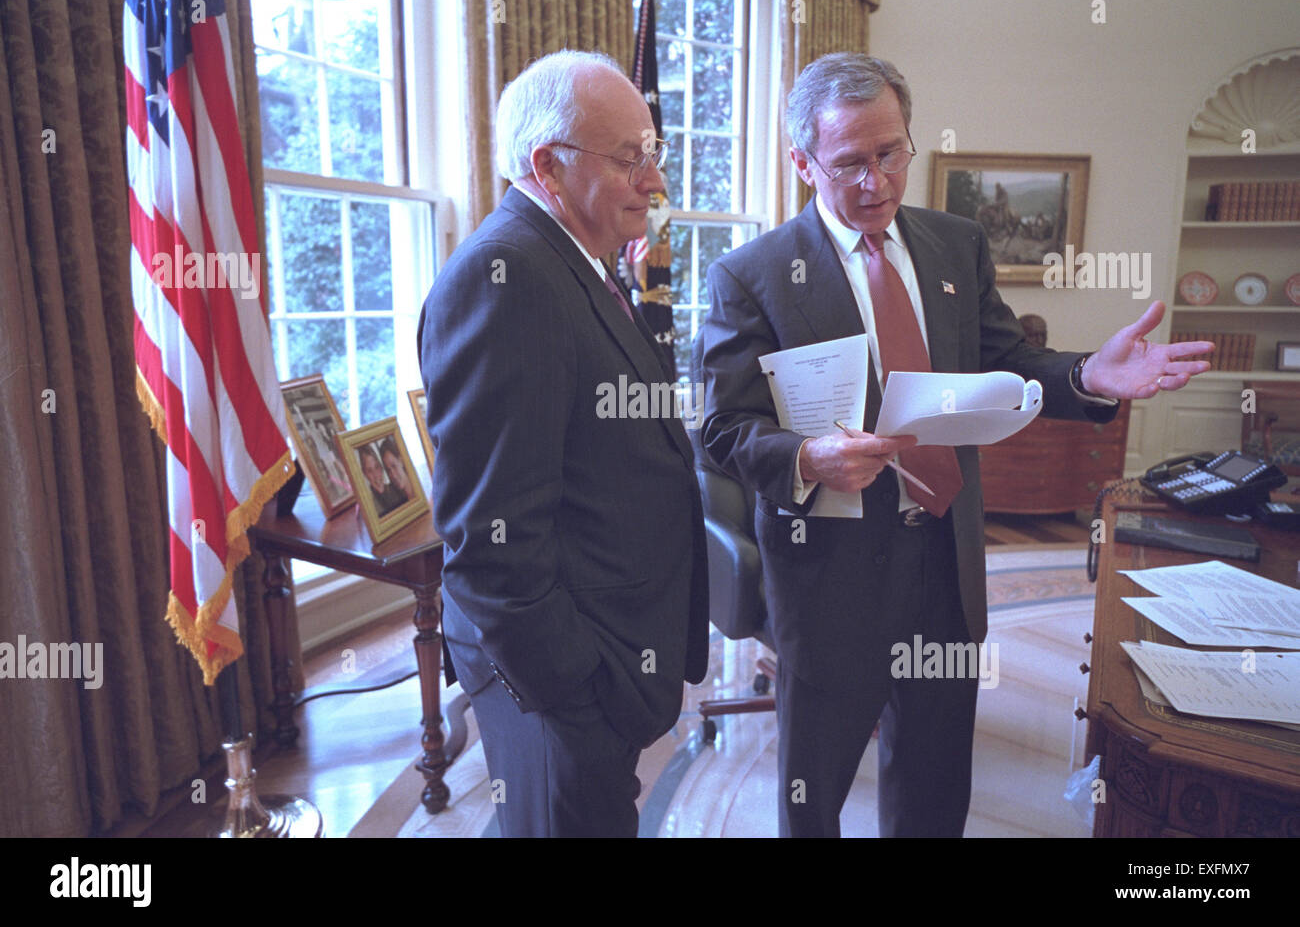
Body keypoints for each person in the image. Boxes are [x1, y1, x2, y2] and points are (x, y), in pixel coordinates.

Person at [697, 53, 1212, 838]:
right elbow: (724, 430)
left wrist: (1091, 375)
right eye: (849, 164)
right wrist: (805, 460)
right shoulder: (752, 276)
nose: (877, 182)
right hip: (828, 580)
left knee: (936, 787)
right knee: (815, 796)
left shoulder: (953, 245)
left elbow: (1008, 361)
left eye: (890, 153)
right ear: (800, 161)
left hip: (944, 566)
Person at [416, 50, 709, 837]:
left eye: (654, 154)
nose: (655, 181)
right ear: (547, 165)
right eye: (630, 159)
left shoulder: (579, 264)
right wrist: (579, 702)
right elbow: (491, 546)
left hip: (608, 655)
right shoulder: (505, 279)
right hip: (559, 691)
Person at [359, 444, 405, 517]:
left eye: (377, 467)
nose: (376, 475)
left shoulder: (397, 488)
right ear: (365, 474)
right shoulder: (369, 506)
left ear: (381, 467)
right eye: (369, 471)